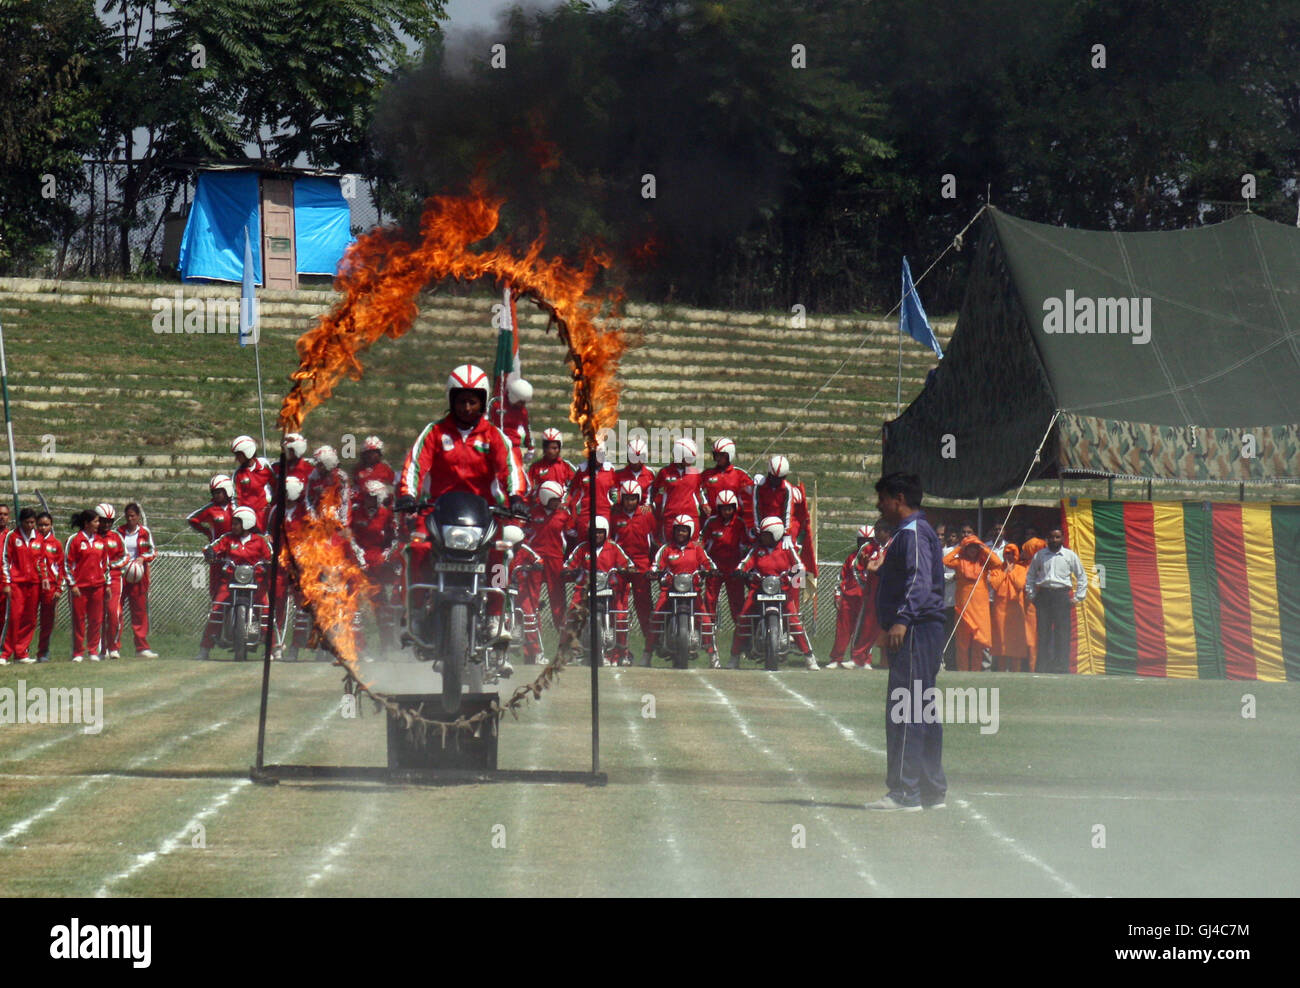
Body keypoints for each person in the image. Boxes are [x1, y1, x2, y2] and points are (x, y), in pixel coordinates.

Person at [865, 472, 946, 812]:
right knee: (922, 707)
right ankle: (930, 790)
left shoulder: (912, 532)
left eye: (883, 498)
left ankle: (905, 791)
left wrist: (901, 620)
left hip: (914, 630)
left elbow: (918, 579)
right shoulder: (913, 532)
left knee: (906, 708)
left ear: (898, 498)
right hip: (922, 629)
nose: (879, 505)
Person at [731, 516, 818, 669]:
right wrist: (740, 570)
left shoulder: (786, 547)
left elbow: (799, 564)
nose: (763, 538)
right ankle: (735, 656)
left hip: (782, 589)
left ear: (776, 534)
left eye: (767, 535)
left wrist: (797, 573)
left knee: (794, 621)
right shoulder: (757, 550)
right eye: (762, 534)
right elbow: (745, 562)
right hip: (759, 588)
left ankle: (809, 656)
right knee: (743, 618)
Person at [198, 505, 273, 661]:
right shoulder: (227, 538)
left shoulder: (259, 541)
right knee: (217, 608)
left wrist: (270, 563)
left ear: (247, 523)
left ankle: (269, 648)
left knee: (265, 609)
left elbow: (270, 555)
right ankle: (205, 648)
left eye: (237, 523)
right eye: (233, 523)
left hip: (255, 582)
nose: (233, 526)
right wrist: (210, 552)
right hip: (230, 580)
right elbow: (212, 547)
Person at [643, 514, 717, 667]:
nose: (680, 533)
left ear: (689, 532)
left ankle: (713, 655)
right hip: (670, 590)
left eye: (684, 530)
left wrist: (711, 570)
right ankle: (647, 654)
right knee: (656, 617)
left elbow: (707, 562)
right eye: (678, 530)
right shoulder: (667, 548)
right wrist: (654, 571)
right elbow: (657, 564)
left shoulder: (696, 548)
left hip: (692, 590)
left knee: (705, 620)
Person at [562, 515, 636, 665]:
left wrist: (627, 569)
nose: (597, 535)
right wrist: (569, 570)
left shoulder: (613, 547)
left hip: (609, 588)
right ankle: (574, 651)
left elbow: (628, 563)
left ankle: (622, 652)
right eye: (594, 532)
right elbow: (569, 564)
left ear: (606, 532)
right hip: (585, 588)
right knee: (572, 613)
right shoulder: (582, 548)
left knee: (621, 616)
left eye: (600, 532)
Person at [1024, 527, 1087, 673]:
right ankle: (1042, 667)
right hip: (1044, 596)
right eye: (1051, 537)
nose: (1054, 540)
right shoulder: (1040, 555)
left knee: (1062, 634)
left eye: (1057, 537)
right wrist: (1031, 594)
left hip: (1061, 597)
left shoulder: (1069, 556)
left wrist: (1078, 597)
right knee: (1043, 633)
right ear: (1047, 538)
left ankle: (1061, 668)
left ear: (1062, 538)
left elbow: (1082, 577)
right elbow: (1031, 575)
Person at [699, 489, 750, 667]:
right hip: (715, 569)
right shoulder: (712, 523)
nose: (726, 512)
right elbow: (702, 544)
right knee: (709, 604)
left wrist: (742, 565)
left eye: (730, 508)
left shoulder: (740, 524)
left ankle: (742, 643)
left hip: (734, 570)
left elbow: (745, 545)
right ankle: (709, 643)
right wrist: (706, 565)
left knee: (737, 607)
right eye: (723, 508)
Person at [350, 479, 401, 652]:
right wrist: (358, 555)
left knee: (382, 607)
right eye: (365, 496)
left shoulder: (387, 515)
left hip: (379, 567)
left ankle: (386, 646)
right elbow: (349, 536)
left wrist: (386, 556)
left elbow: (395, 539)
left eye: (370, 497)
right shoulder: (356, 514)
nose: (366, 499)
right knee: (354, 606)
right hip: (358, 565)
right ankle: (358, 646)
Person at [609, 479, 658, 655]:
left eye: (633, 498)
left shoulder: (646, 515)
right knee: (618, 606)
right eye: (627, 498)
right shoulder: (615, 516)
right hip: (620, 565)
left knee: (644, 605)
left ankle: (650, 647)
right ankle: (619, 648)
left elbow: (655, 542)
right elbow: (610, 542)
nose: (630, 502)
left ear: (639, 499)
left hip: (641, 563)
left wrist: (653, 565)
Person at [828, 524, 881, 671]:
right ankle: (836, 658)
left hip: (866, 599)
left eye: (868, 540)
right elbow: (841, 578)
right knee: (843, 630)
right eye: (862, 540)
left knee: (865, 631)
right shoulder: (851, 558)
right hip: (849, 598)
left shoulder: (878, 558)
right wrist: (838, 595)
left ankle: (863, 660)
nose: (864, 543)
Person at [525, 480, 573, 632]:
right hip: (535, 558)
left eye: (560, 500)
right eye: (555, 500)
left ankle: (562, 628)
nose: (558, 503)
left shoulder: (564, 515)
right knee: (532, 594)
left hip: (555, 558)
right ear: (546, 498)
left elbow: (572, 534)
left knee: (557, 595)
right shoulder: (532, 513)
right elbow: (525, 535)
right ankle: (533, 628)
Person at [65, 509, 109, 663]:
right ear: (86, 523)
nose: (98, 524)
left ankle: (92, 651)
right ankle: (78, 652)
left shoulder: (100, 541)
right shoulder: (75, 540)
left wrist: (106, 584)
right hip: (80, 588)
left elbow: (105, 565)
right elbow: (67, 564)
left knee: (96, 620)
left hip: (97, 586)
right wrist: (73, 585)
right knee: (79, 620)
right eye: (96, 521)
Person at [116, 503, 158, 658]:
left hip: (138, 577)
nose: (130, 518)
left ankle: (141, 648)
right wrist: (123, 564)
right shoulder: (119, 532)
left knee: (139, 613)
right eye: (127, 516)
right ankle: (113, 648)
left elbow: (153, 551)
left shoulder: (144, 532)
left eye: (133, 515)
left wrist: (142, 558)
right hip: (121, 576)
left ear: (138, 516)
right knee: (116, 612)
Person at [0, 508, 42, 664]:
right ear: (21, 522)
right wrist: (7, 582)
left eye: (33, 522)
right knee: (13, 617)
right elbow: (6, 560)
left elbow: (42, 560)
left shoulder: (38, 537)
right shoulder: (13, 536)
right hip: (17, 583)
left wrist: (43, 579)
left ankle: (21, 652)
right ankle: (4, 653)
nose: (30, 525)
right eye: (27, 522)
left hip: (34, 583)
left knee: (30, 619)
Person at [650, 437, 707, 542]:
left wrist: (705, 504)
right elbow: (653, 490)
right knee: (671, 550)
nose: (690, 462)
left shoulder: (695, 473)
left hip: (691, 517)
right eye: (688, 459)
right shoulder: (664, 473)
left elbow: (700, 491)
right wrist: (648, 505)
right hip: (670, 518)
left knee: (692, 549)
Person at [189, 475, 236, 599]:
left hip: (236, 552)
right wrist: (207, 532)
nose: (216, 495)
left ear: (227, 490)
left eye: (219, 492)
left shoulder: (237, 507)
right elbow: (192, 519)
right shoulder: (211, 508)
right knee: (216, 589)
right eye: (213, 492)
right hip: (217, 554)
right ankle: (216, 613)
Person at [988, 543, 1031, 672]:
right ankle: (1001, 668)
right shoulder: (997, 569)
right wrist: (1005, 571)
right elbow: (994, 584)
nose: (1010, 556)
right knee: (1000, 638)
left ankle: (1015, 669)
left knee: (1016, 639)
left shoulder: (1021, 569)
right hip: (1000, 608)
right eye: (1007, 553)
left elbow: (1020, 584)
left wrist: (1011, 572)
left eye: (1012, 553)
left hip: (1016, 609)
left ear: (1017, 555)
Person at [95, 504, 127, 660]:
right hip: (95, 580)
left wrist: (112, 566)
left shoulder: (116, 537)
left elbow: (125, 556)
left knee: (114, 612)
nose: (107, 524)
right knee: (97, 615)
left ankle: (113, 646)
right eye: (103, 521)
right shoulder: (91, 536)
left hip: (114, 578)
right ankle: (100, 648)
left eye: (110, 521)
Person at [33, 512, 63, 663]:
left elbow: (62, 567)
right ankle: (21, 651)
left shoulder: (56, 544)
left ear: (51, 526)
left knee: (47, 622)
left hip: (49, 587)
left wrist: (59, 588)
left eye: (46, 525)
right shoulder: (32, 541)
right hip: (32, 585)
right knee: (29, 619)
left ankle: (43, 652)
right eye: (40, 525)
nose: (43, 528)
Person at [700, 437, 754, 516]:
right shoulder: (707, 474)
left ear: (729, 455)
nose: (718, 458)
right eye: (716, 455)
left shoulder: (740, 474)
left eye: (721, 455)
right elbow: (696, 488)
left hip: (734, 518)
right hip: (713, 517)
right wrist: (704, 504)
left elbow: (752, 493)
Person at [231, 435, 274, 529]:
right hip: (246, 519)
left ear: (247, 452)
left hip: (264, 516)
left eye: (239, 455)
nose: (236, 458)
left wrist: (273, 505)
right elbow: (234, 499)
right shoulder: (238, 474)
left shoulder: (264, 465)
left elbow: (275, 485)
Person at [527, 428, 576, 502]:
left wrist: (565, 501)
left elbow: (575, 488)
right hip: (540, 507)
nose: (550, 451)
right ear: (544, 448)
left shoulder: (567, 466)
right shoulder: (535, 467)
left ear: (560, 448)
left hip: (561, 507)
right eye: (548, 448)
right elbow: (529, 489)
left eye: (554, 448)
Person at [613, 437, 655, 501]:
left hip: (643, 509)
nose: (636, 461)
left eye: (640, 458)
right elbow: (615, 494)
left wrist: (647, 507)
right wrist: (617, 506)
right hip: (623, 509)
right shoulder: (619, 474)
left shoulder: (650, 474)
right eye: (633, 457)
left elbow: (651, 496)